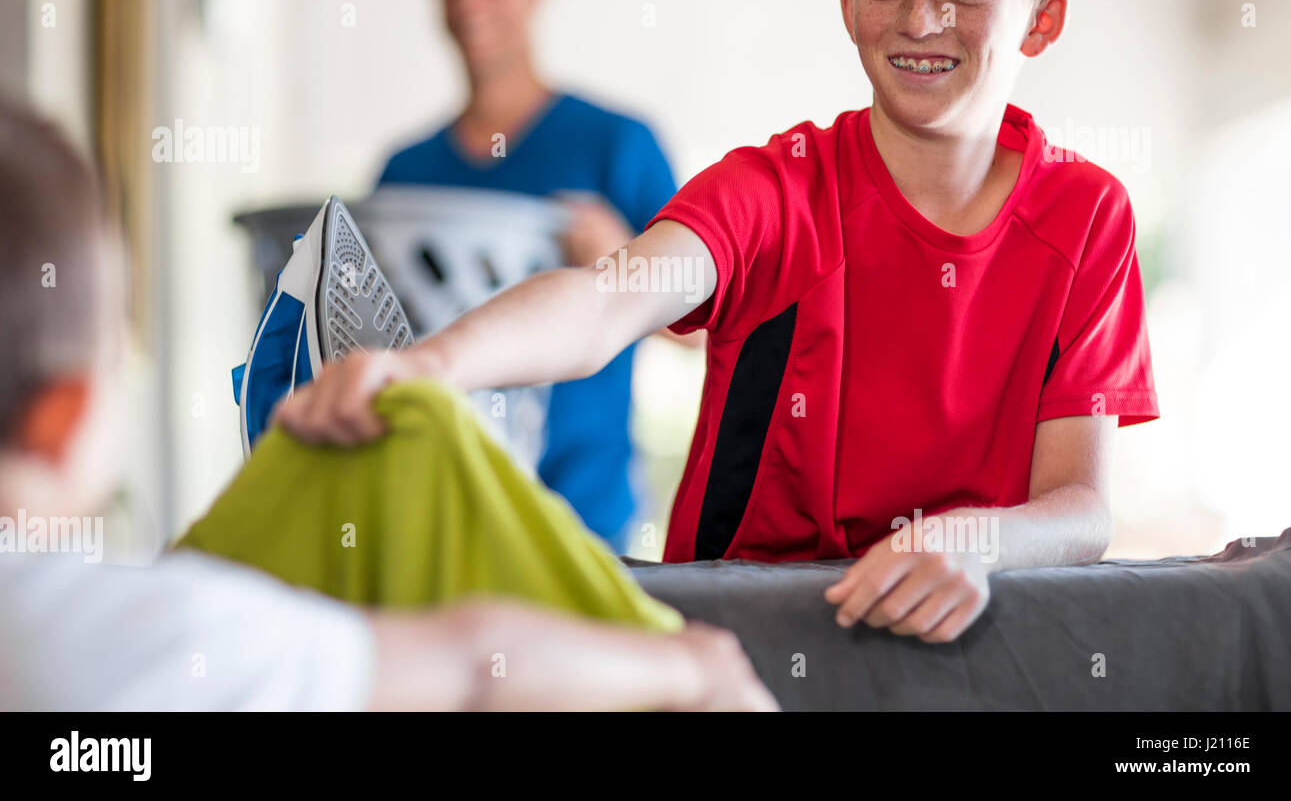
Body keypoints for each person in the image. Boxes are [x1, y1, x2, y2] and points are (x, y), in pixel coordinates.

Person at [275, 0, 1160, 645]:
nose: (920, 20)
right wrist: (431, 368)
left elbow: (1080, 508)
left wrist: (975, 539)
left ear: (1041, 21)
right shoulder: (777, 187)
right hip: (741, 637)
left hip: (967, 626)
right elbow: (605, 299)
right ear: (849, 6)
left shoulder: (1087, 215)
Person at [0, 96, 776, 711]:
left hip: (577, 490)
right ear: (63, 417)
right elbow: (474, 670)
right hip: (473, 535)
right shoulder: (128, 640)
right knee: (407, 429)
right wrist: (690, 665)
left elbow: (677, 326)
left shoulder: (613, 143)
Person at [378, 0, 686, 552]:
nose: (469, 5)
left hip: (588, 525)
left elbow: (710, 334)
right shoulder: (404, 175)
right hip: (441, 525)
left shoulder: (616, 144)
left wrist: (625, 263)